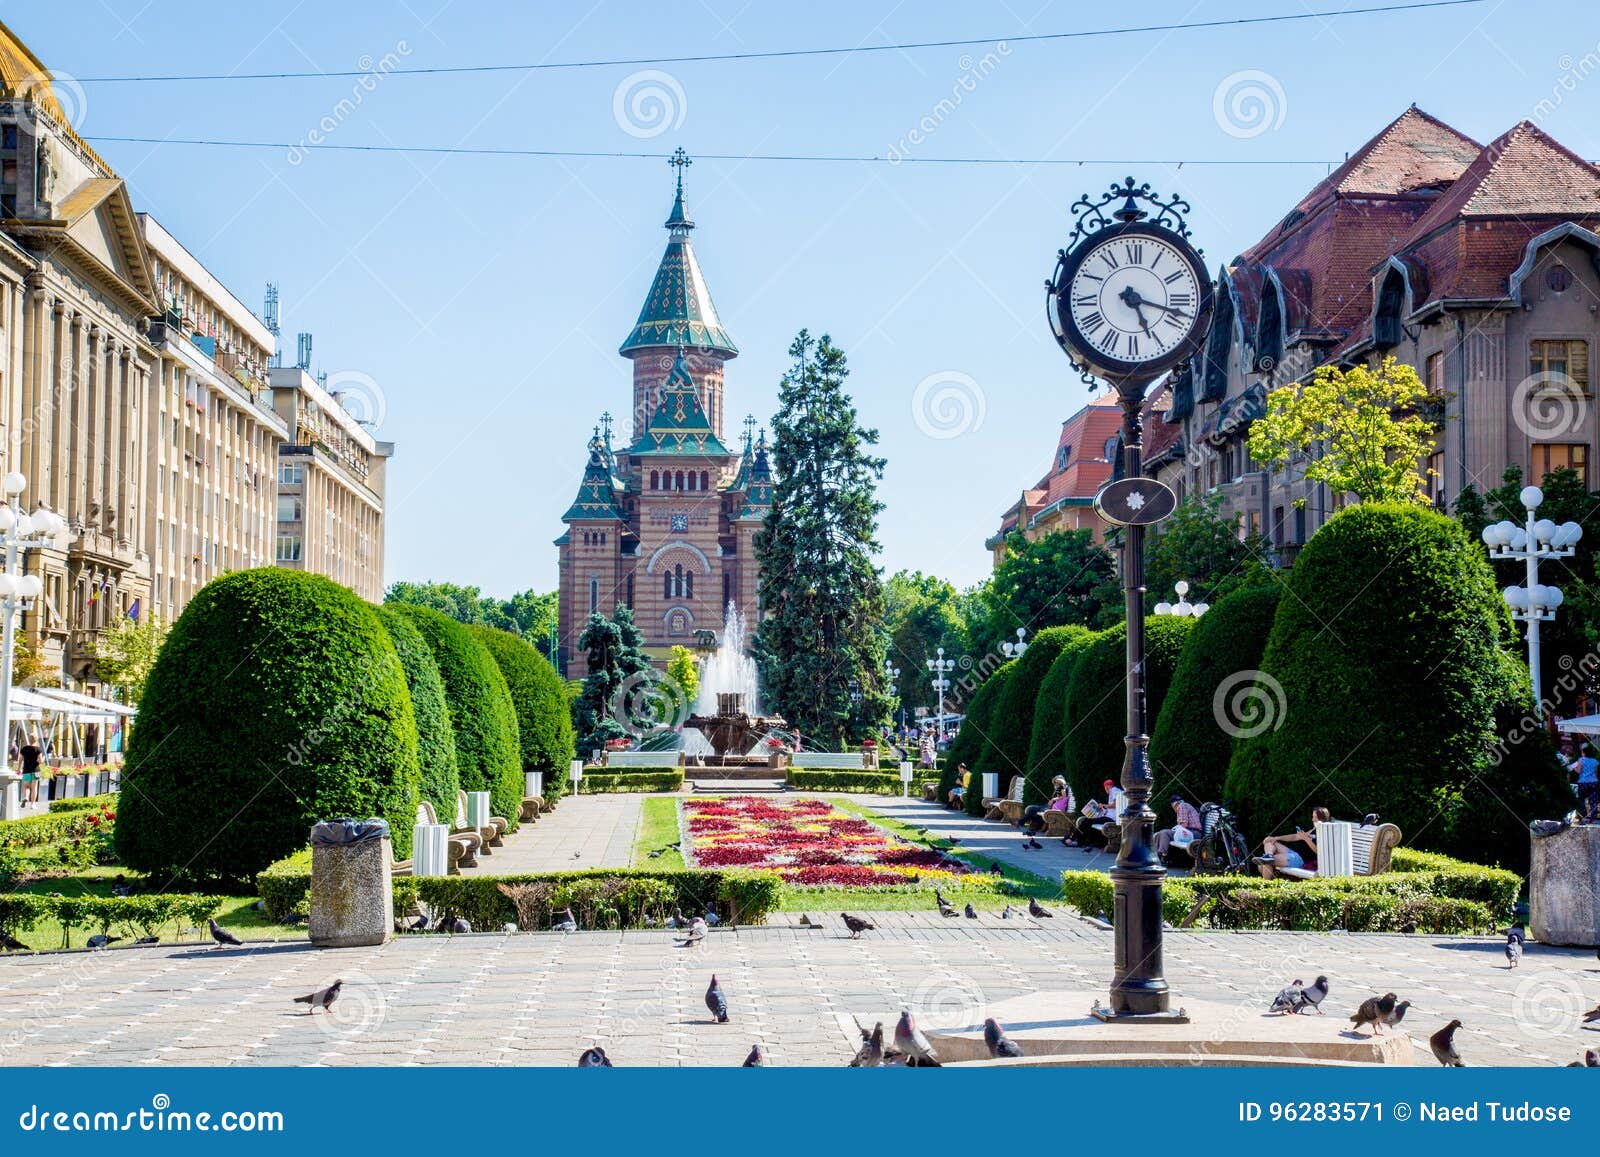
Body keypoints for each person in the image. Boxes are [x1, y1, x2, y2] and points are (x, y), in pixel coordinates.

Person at [1255, 806, 1330, 879]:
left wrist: (1306, 839)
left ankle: (1266, 882)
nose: (1312, 819)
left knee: (1263, 864)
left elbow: (1318, 852)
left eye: (1315, 817)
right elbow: (1294, 837)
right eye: (1313, 816)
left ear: (1322, 818)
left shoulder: (1324, 832)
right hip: (1294, 854)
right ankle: (1269, 856)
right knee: (1270, 842)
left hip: (1300, 859)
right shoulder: (1314, 829)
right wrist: (1276, 838)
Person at [1019, 776, 1075, 849]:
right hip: (1050, 806)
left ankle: (1022, 823)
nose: (1055, 785)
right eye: (1055, 784)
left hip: (1053, 808)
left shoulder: (1063, 789)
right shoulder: (1060, 789)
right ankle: (1030, 826)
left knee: (1034, 811)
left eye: (1056, 783)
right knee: (1032, 809)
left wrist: (1053, 799)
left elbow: (1063, 797)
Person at [1154, 794, 1203, 865]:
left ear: (1174, 804)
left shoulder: (1181, 806)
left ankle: (1162, 857)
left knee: (1164, 833)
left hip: (1193, 833)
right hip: (1189, 832)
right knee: (1159, 833)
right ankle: (1156, 855)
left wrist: (1175, 829)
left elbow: (1184, 824)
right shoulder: (1184, 805)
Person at [1074, 779, 1124, 849]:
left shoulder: (1113, 790)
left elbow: (1116, 804)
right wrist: (1103, 810)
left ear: (1106, 787)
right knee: (1088, 821)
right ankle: (1084, 841)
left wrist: (1103, 805)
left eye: (1105, 788)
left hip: (1111, 819)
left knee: (1086, 821)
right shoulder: (1115, 791)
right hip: (1109, 817)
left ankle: (1076, 840)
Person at [1570, 743, 1600, 824]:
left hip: (1583, 782)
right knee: (1593, 801)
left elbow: (1579, 771)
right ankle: (1593, 819)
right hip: (1593, 782)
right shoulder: (1596, 761)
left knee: (1581, 800)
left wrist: (1574, 768)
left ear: (1584, 753)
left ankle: (1584, 817)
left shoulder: (1581, 760)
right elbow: (1596, 774)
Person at [19, 740, 41, 806]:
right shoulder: (38, 749)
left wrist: (18, 769)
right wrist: (43, 758)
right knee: (34, 787)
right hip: (36, 770)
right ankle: (33, 804)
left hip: (26, 770)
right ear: (36, 740)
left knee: (27, 787)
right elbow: (40, 761)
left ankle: (26, 797)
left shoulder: (24, 749)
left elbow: (20, 759)